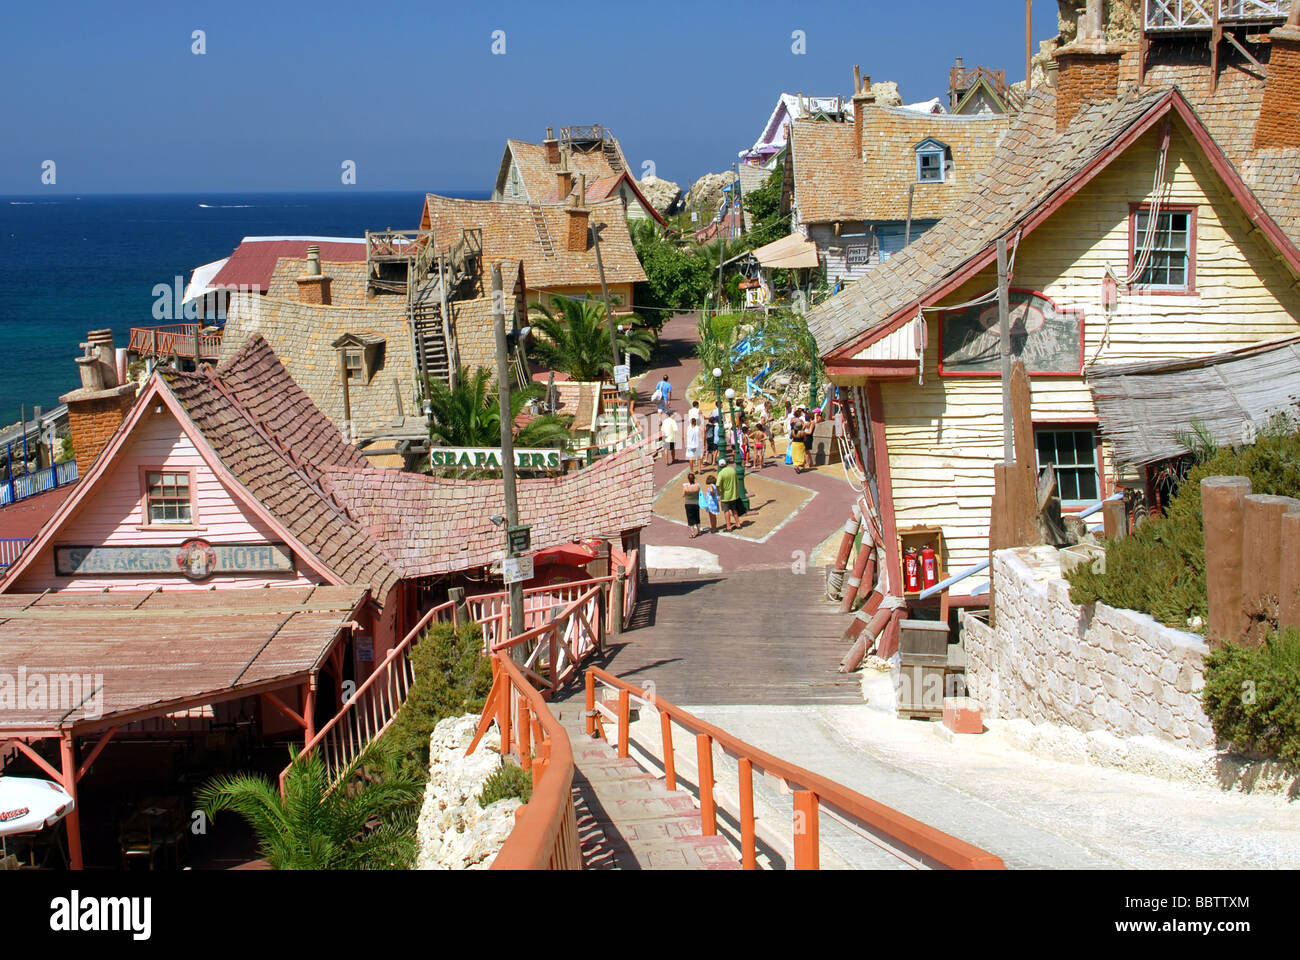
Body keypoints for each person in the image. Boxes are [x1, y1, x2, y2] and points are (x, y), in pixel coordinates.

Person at [717, 459, 740, 531]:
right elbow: (737, 482)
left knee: (726, 511)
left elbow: (717, 485)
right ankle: (738, 524)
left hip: (725, 495)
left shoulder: (721, 473)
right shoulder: (732, 470)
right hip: (733, 494)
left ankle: (728, 526)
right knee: (734, 509)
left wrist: (719, 493)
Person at [683, 472, 702, 538]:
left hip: (688, 503)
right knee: (697, 517)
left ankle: (693, 533)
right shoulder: (697, 486)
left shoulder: (686, 487)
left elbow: (683, 495)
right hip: (696, 503)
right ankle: (699, 530)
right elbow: (699, 491)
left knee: (690, 518)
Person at [790, 409, 808, 474]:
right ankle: (799, 466)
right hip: (800, 444)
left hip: (794, 444)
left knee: (795, 455)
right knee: (800, 455)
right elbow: (805, 439)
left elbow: (791, 437)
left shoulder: (793, 432)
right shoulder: (802, 432)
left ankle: (796, 465)